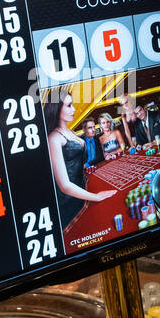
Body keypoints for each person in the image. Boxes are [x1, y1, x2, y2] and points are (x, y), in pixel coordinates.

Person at [44, 90, 118, 230]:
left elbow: (73, 163)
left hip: (84, 189)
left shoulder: (70, 132)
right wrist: (96, 197)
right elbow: (64, 185)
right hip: (70, 202)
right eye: (69, 105)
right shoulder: (53, 138)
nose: (73, 109)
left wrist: (84, 167)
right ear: (57, 108)